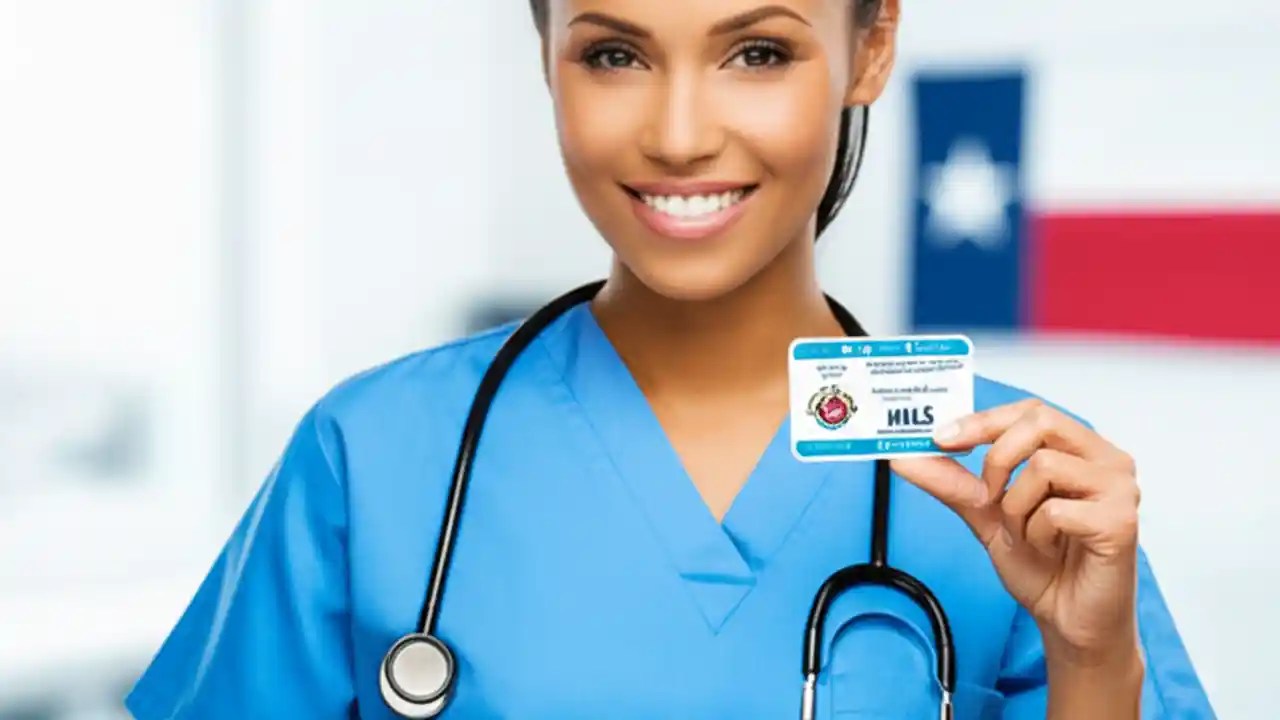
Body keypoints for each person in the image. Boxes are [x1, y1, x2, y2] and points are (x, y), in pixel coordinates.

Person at [125, 1, 1215, 718]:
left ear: (870, 47)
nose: (680, 134)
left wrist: (1090, 662)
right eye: (615, 55)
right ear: (546, 59)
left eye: (757, 53)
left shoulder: (1021, 489)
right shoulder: (369, 456)